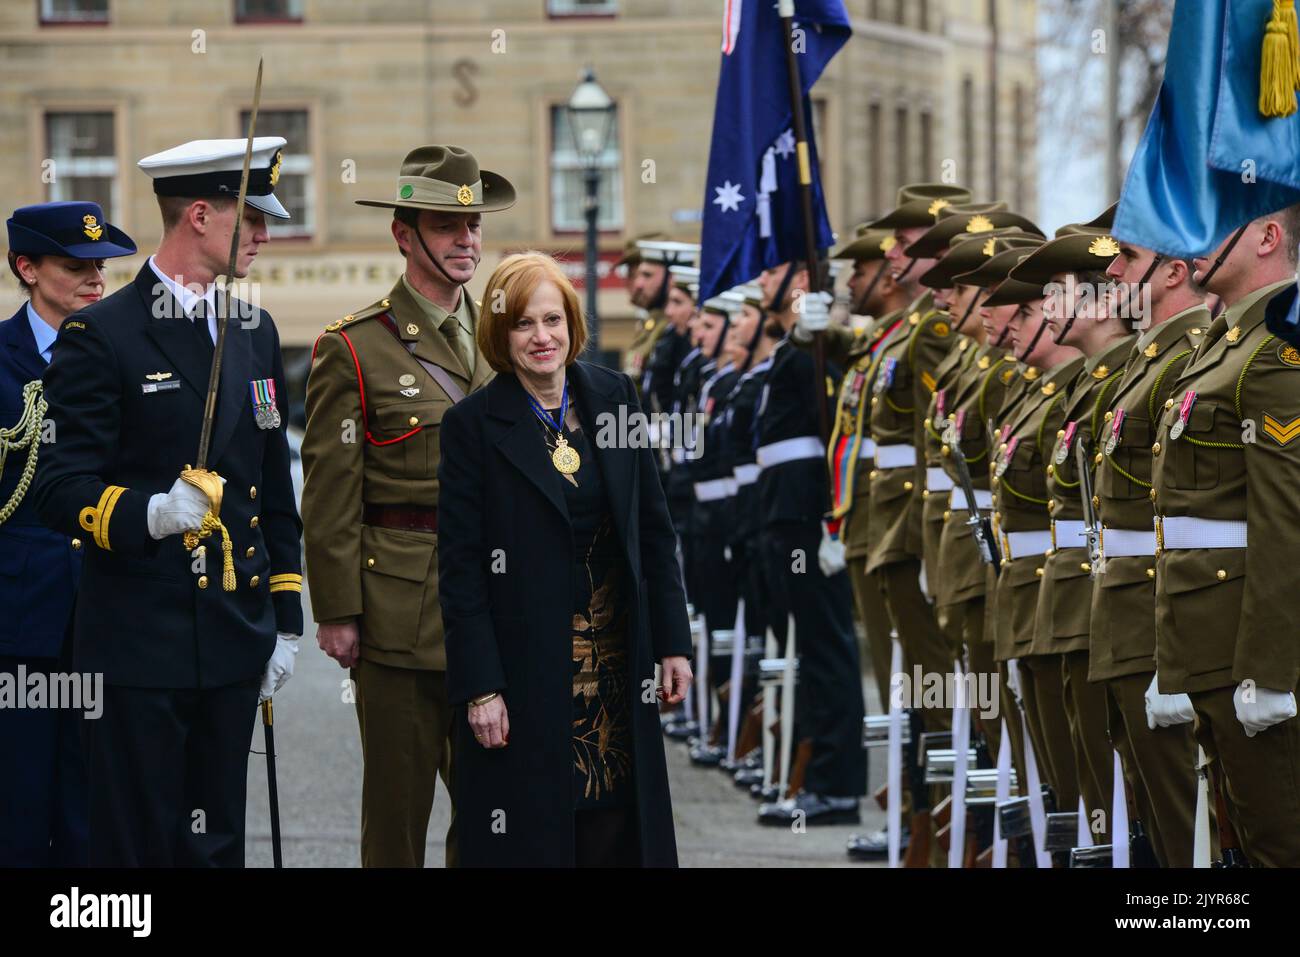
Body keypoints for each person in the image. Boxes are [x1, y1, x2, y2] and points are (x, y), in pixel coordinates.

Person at [32, 138, 303, 866]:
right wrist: (150, 513)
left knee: (216, 847)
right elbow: (60, 487)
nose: (265, 234)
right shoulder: (103, 333)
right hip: (138, 645)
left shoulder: (255, 329)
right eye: (252, 218)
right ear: (201, 216)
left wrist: (285, 619)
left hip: (232, 634)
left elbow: (272, 485)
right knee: (138, 848)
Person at [436, 252, 693, 867]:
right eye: (523, 324)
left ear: (573, 324)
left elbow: (654, 533)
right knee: (534, 839)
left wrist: (673, 644)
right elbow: (461, 568)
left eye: (552, 319)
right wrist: (480, 690)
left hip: (616, 670)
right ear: (501, 333)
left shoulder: (616, 398)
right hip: (526, 678)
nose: (542, 337)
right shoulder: (471, 426)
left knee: (615, 828)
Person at [301, 145, 512, 868]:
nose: (467, 242)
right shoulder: (355, 348)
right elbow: (331, 491)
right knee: (396, 819)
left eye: (474, 225)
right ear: (403, 234)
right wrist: (336, 608)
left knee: (495, 814)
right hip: (403, 615)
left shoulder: (505, 341)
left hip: (496, 606)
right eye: (446, 226)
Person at [1150, 204, 1300, 866]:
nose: (1194, 242)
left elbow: (1282, 520)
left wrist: (1270, 669)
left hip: (1244, 651)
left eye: (1218, 225)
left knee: (1278, 840)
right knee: (1239, 836)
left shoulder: (1273, 354)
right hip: (1204, 640)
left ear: (1269, 236)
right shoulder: (1219, 346)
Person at [1, 201, 136, 866]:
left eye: (101, 264)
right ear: (26, 268)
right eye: (73, 264)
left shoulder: (124, 353)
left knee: (95, 817)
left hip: (108, 615)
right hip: (19, 622)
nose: (94, 277)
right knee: (18, 811)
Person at [1009, 225, 1137, 845]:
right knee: (1087, 776)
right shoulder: (1089, 384)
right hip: (1070, 594)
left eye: (1056, 294)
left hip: (1114, 602)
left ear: (1103, 301)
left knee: (1124, 788)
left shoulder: (1118, 383)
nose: (1048, 307)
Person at [1092, 231, 1209, 866]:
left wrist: (1173, 655)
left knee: (1188, 826)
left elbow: (1184, 518)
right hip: (1124, 609)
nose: (1111, 270)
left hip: (1162, 619)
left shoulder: (1184, 363)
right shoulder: (1145, 364)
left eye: (1128, 257)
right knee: (1154, 819)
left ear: (1172, 273)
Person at [752, 260, 866, 826]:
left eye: (774, 270)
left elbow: (836, 435)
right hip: (786, 517)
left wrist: (831, 518)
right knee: (812, 652)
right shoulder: (790, 352)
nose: (761, 277)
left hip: (808, 520)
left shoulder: (811, 355)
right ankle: (819, 777)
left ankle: (837, 787)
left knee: (827, 652)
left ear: (801, 285)